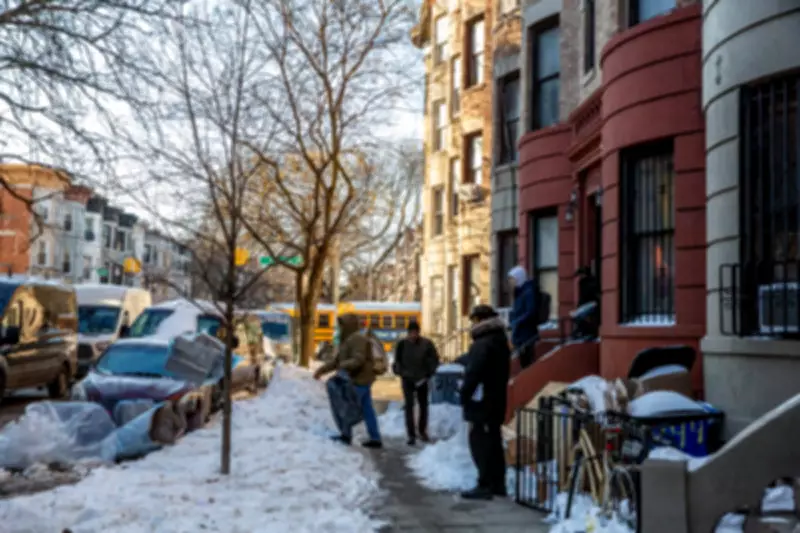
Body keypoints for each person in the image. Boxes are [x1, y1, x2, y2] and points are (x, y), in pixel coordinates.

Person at [460, 304, 511, 500]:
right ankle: (498, 483)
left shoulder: (482, 344)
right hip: (497, 398)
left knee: (480, 442)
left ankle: (485, 483)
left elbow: (474, 373)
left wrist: (464, 394)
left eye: (473, 320)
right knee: (494, 441)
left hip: (482, 401)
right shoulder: (500, 340)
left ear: (480, 320)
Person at [314, 313, 383, 448]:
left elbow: (358, 359)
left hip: (358, 379)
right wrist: (321, 370)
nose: (340, 328)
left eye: (342, 325)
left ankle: (346, 435)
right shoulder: (348, 340)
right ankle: (375, 438)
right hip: (362, 379)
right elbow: (336, 362)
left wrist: (343, 366)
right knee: (367, 409)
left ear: (348, 325)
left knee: (346, 406)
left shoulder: (356, 339)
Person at [393, 321, 440, 445]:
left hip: (422, 379)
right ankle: (411, 434)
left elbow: (434, 359)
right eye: (411, 333)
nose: (413, 335)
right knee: (409, 406)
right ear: (408, 333)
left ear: (418, 332)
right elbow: (397, 362)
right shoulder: (402, 344)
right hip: (407, 379)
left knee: (423, 405)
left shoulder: (427, 344)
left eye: (415, 332)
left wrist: (428, 373)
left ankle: (422, 430)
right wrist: (401, 372)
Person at [507, 265, 539, 369]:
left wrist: (517, 321)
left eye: (512, 279)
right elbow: (515, 311)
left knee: (527, 361)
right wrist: (512, 320)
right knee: (522, 360)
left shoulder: (528, 292)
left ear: (519, 278)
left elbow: (530, 311)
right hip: (519, 332)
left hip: (527, 332)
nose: (510, 282)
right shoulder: (518, 293)